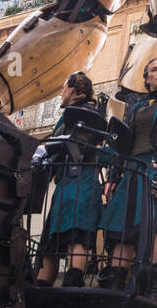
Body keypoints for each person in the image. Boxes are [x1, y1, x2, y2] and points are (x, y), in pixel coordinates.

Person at [101, 57, 157, 288]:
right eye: (154, 70)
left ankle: (156, 288)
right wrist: (113, 177)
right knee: (123, 226)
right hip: (132, 171)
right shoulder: (137, 106)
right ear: (147, 78)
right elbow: (123, 143)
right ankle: (115, 283)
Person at [36, 72, 105, 287]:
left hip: (81, 179)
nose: (61, 93)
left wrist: (49, 149)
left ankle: (73, 282)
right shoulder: (68, 114)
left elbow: (81, 145)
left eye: (64, 88)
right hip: (66, 181)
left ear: (75, 90)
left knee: (76, 234)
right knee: (50, 242)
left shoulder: (86, 113)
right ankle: (40, 291)